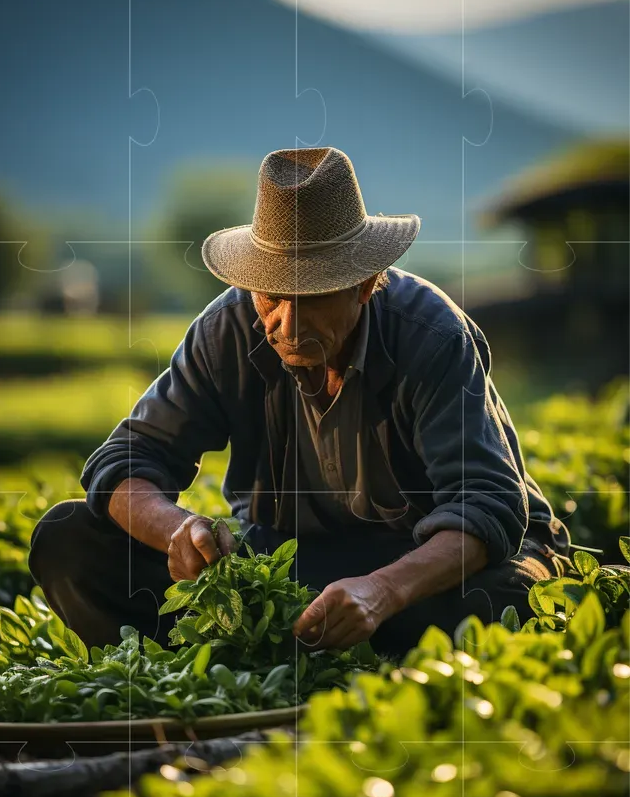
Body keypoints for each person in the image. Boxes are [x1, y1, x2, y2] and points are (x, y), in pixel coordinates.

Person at [29, 146, 571, 658]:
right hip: (292, 561)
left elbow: (487, 504)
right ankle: (272, 649)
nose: (286, 324)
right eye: (271, 295)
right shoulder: (228, 328)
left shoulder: (429, 335)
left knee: (503, 597)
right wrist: (175, 529)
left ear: (363, 283)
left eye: (310, 298)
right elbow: (125, 460)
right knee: (67, 540)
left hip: (420, 560)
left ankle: (314, 650)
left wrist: (381, 592)